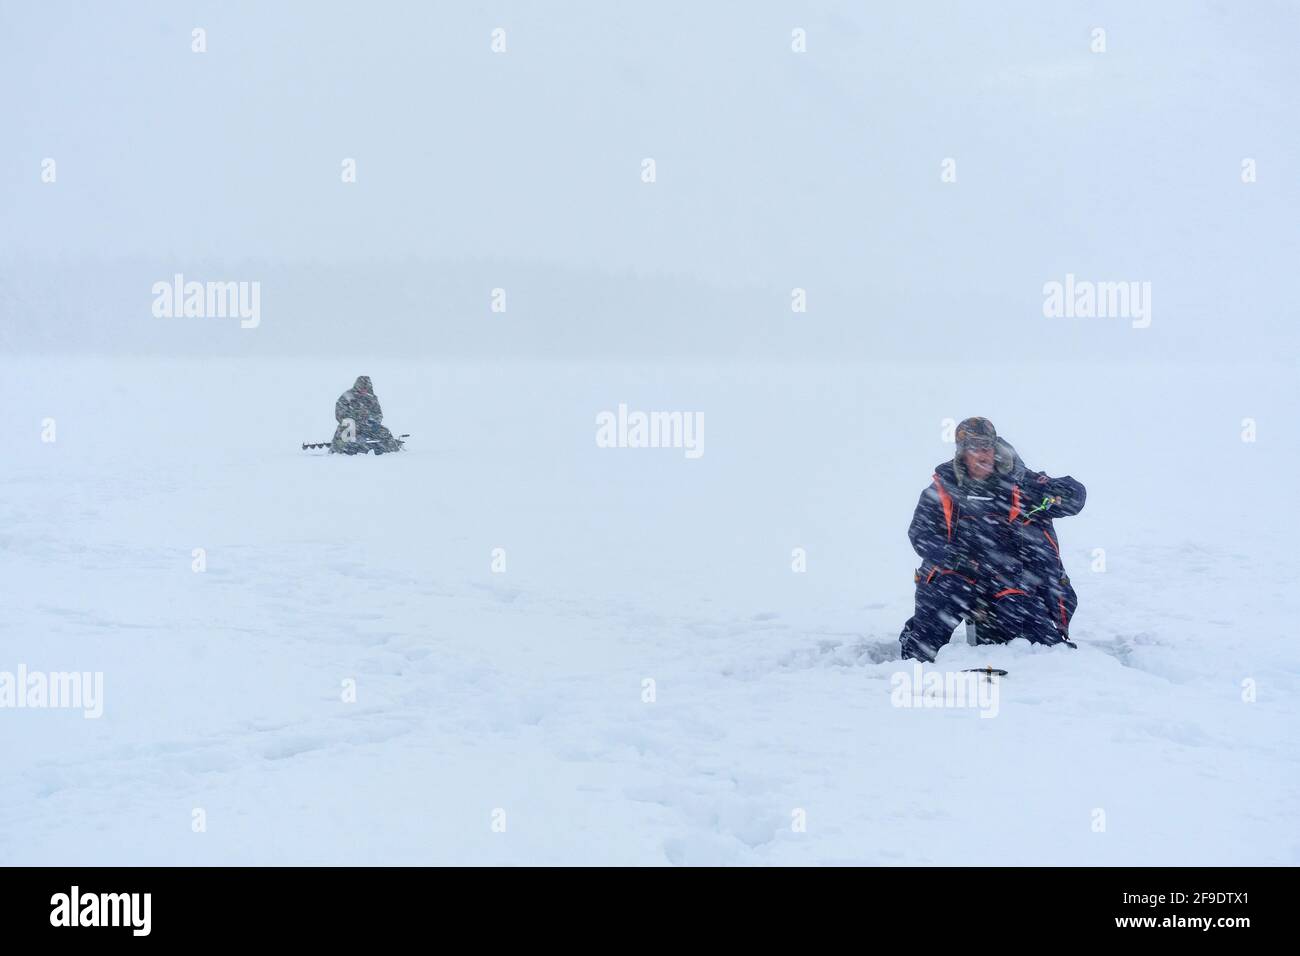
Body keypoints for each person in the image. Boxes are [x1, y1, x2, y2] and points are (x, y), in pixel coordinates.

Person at [898, 417, 1085, 662]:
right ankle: (919, 660)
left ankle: (1032, 672)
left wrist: (1061, 493)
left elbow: (1075, 496)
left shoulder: (1022, 482)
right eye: (974, 447)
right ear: (962, 453)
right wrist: (955, 558)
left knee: (1040, 644)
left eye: (987, 445)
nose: (983, 453)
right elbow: (921, 535)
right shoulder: (941, 489)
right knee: (938, 606)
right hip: (960, 576)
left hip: (1012, 578)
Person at [330, 376, 403, 455]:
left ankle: (392, 452)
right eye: (362, 388)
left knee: (384, 432)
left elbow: (378, 414)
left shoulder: (372, 398)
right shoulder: (347, 396)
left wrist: (374, 422)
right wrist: (352, 419)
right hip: (350, 426)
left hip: (368, 427)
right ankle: (337, 451)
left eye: (366, 388)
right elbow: (339, 413)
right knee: (342, 434)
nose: (364, 390)